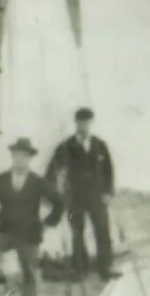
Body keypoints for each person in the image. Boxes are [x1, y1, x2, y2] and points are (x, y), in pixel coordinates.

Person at [0, 138, 63, 296]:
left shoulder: (38, 182)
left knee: (29, 273)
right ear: (12, 156)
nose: (20, 159)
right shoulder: (1, 180)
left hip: (29, 236)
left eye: (24, 156)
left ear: (29, 158)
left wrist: (48, 224)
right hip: (5, 232)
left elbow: (60, 203)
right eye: (17, 155)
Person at [48, 106, 118, 278]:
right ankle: (81, 269)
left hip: (97, 198)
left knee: (103, 231)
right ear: (76, 123)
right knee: (76, 233)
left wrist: (108, 193)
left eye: (87, 122)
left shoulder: (100, 146)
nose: (84, 126)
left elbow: (109, 171)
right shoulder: (66, 146)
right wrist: (53, 194)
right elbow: (52, 170)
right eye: (81, 122)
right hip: (74, 200)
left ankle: (105, 268)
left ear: (91, 123)